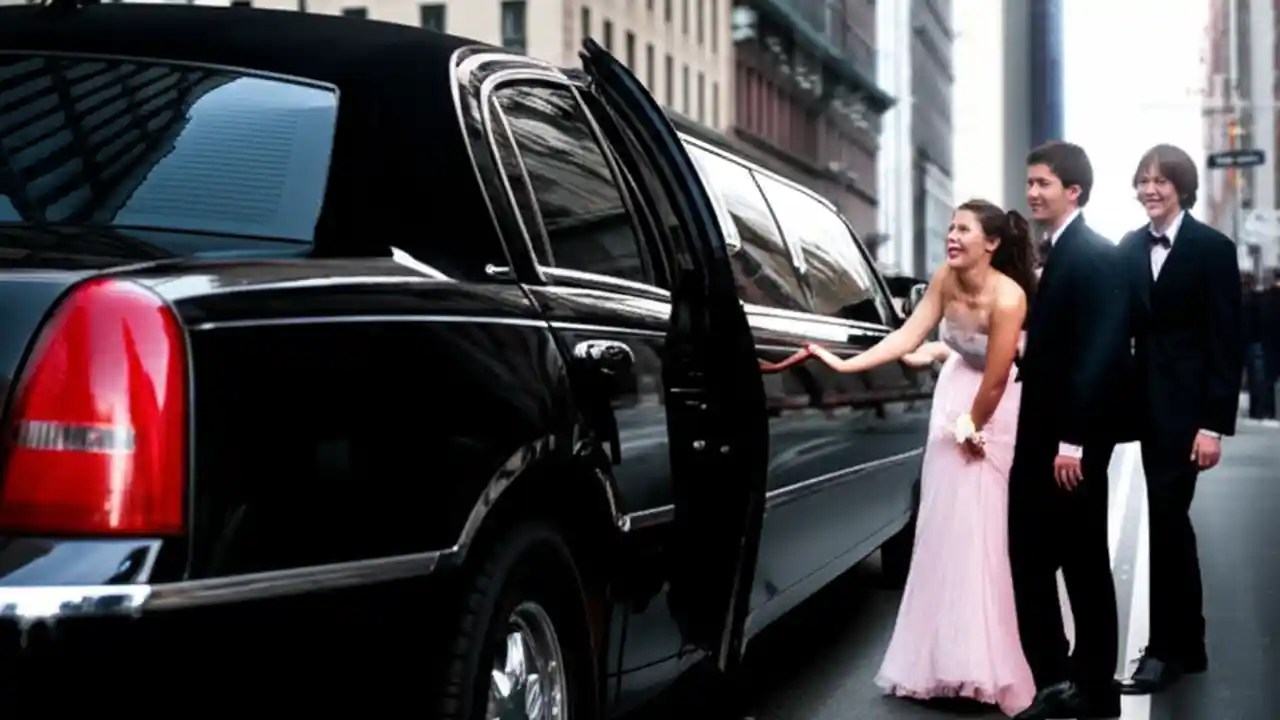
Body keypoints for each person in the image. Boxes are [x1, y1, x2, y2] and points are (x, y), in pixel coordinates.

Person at [806, 198, 1039, 717]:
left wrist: (971, 427)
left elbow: (999, 377)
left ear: (992, 243)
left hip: (990, 411)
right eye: (951, 227)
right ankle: (937, 663)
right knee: (940, 529)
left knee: (981, 532)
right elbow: (906, 336)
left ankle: (983, 665)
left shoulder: (1010, 298)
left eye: (964, 230)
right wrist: (844, 366)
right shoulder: (944, 279)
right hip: (953, 400)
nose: (952, 237)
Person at [1006, 140, 1130, 720]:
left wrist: (1075, 442)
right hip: (1042, 443)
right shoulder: (1058, 252)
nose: (1033, 193)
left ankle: (1091, 688)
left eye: (1044, 184)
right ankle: (1060, 682)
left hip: (1068, 449)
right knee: (1032, 563)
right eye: (1030, 183)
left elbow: (1100, 357)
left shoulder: (1094, 255)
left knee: (1080, 567)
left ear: (1073, 191)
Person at [1115, 143, 1243, 694]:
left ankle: (1164, 649)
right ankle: (1190, 644)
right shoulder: (1127, 247)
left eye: (1160, 181)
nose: (1149, 190)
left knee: (1167, 520)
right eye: (1143, 180)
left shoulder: (1213, 249)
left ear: (1182, 187)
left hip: (1188, 413)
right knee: (1170, 522)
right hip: (1143, 406)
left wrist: (1212, 424)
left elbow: (1227, 340)